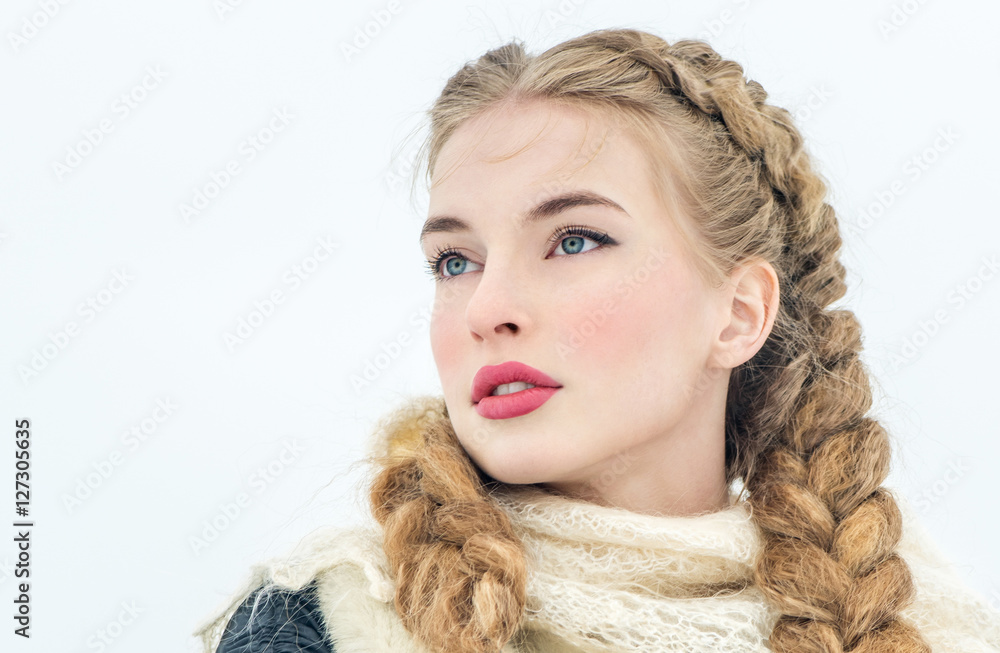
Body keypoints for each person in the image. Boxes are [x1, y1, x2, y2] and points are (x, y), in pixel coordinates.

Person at [193, 27, 1000, 653]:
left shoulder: (925, 624)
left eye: (575, 239)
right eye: (455, 260)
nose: (487, 307)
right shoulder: (319, 624)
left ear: (740, 313)